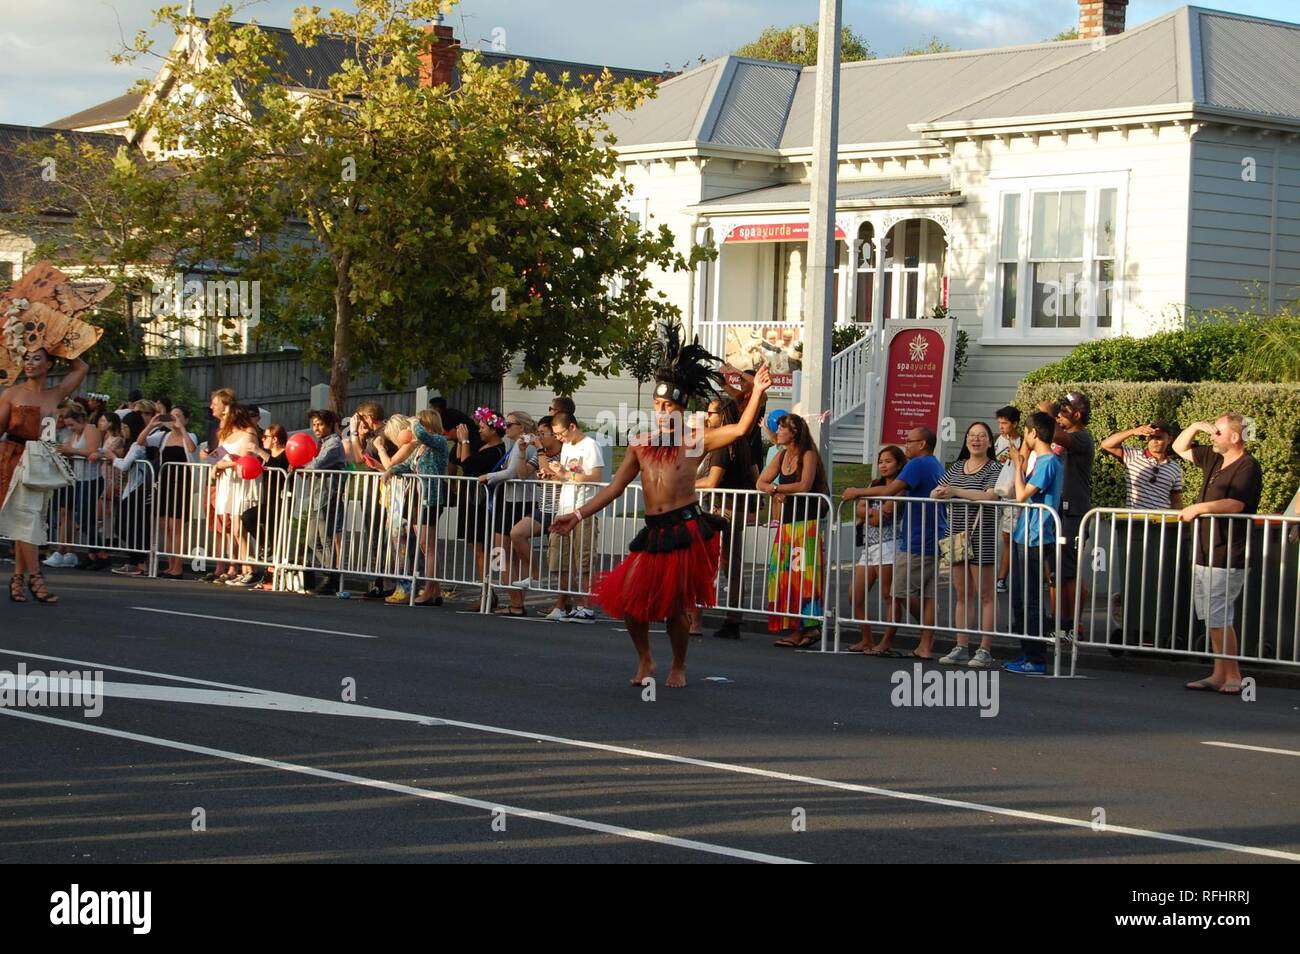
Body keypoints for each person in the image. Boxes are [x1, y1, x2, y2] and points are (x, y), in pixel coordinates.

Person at [551, 325, 772, 688]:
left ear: (682, 409)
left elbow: (736, 431)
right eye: (657, 404)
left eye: (668, 405)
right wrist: (577, 515)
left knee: (673, 609)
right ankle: (646, 659)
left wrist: (759, 393)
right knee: (629, 603)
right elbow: (616, 487)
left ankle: (679, 664)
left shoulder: (695, 439)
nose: (661, 410)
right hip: (653, 533)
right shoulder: (640, 444)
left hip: (684, 532)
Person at [1173, 415, 1262, 695]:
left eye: (1218, 431)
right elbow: (1179, 447)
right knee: (1211, 616)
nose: (1212, 435)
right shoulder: (1213, 458)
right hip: (1204, 548)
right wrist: (1196, 426)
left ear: (1235, 437)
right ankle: (1218, 672)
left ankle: (1233, 674)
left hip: (1227, 551)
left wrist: (1199, 508)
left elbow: (1236, 503)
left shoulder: (1247, 465)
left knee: (1220, 614)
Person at [0, 340, 94, 603]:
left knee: (28, 522)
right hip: (15, 460)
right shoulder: (11, 393)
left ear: (49, 364)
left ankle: (17, 579)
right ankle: (35, 578)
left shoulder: (55, 394)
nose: (29, 362)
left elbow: (81, 366)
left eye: (37, 358)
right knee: (27, 520)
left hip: (42, 462)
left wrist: (56, 340)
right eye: (26, 358)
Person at [847, 427, 946, 659]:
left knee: (896, 595)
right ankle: (925, 644)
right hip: (931, 535)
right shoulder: (935, 464)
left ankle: (887, 643)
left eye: (910, 441)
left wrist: (857, 492)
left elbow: (891, 493)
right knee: (926, 595)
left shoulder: (917, 464)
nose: (906, 444)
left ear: (922, 444)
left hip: (916, 538)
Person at [758, 412, 830, 648]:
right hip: (788, 526)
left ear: (794, 432)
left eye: (781, 428)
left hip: (805, 525)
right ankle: (795, 626)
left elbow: (804, 485)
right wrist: (773, 489)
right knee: (782, 575)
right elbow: (761, 481)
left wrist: (778, 489)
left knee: (802, 577)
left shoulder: (807, 455)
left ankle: (806, 627)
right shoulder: (781, 455)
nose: (777, 432)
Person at [1002, 411, 1065, 674]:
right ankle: (1026, 653)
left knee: (1030, 599)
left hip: (1037, 537)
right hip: (1023, 535)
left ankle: (1036, 659)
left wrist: (1018, 464)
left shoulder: (1049, 461)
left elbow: (1021, 494)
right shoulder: (1042, 461)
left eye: (1026, 433)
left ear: (1033, 433)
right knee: (1019, 598)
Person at [935, 422, 1002, 668]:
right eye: (972, 435)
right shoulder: (956, 468)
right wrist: (940, 493)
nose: (976, 440)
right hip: (955, 536)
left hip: (981, 535)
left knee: (985, 594)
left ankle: (985, 648)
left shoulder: (995, 467)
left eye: (981, 436)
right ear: (965, 441)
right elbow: (938, 489)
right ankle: (961, 645)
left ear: (990, 442)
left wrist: (956, 492)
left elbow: (990, 495)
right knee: (962, 594)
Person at [693, 396, 759, 639]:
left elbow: (712, 482)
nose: (707, 417)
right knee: (731, 562)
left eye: (711, 413)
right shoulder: (742, 442)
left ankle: (722, 616)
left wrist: (684, 484)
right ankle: (733, 616)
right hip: (735, 507)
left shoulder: (723, 445)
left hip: (725, 509)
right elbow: (754, 475)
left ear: (723, 416)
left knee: (718, 561)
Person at [382, 408, 450, 606]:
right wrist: (392, 470)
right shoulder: (421, 447)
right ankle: (435, 589)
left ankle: (429, 589)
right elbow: (407, 465)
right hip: (417, 500)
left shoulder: (438, 441)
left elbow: (420, 433)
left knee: (427, 545)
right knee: (423, 545)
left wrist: (413, 423)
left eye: (421, 422)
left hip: (430, 499)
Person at [841, 445, 904, 655]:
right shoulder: (874, 484)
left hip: (889, 544)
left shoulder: (901, 487)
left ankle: (886, 642)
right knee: (855, 595)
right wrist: (870, 511)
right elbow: (859, 508)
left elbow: (881, 519)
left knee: (888, 595)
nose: (883, 465)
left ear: (898, 463)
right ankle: (866, 639)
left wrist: (867, 511)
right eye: (881, 462)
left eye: (888, 461)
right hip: (869, 546)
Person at [545, 411, 605, 622]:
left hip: (583, 509)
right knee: (559, 556)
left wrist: (566, 475)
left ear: (572, 427)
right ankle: (565, 602)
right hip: (565, 507)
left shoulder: (590, 445)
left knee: (584, 558)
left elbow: (597, 476)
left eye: (560, 434)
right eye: (556, 435)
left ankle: (585, 605)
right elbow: (566, 476)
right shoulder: (567, 447)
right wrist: (554, 473)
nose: (559, 438)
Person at [500, 416, 563, 616]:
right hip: (544, 509)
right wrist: (520, 452)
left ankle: (562, 603)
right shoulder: (538, 453)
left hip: (561, 510)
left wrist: (540, 449)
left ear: (555, 435)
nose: (540, 438)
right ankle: (534, 574)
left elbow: (546, 471)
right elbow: (522, 474)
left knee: (559, 559)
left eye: (543, 434)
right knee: (517, 533)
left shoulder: (564, 453)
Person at [483, 411, 538, 615]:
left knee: (501, 551)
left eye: (509, 424)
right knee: (507, 553)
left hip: (518, 501)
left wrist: (487, 476)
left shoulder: (524, 444)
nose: (505, 428)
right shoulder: (516, 444)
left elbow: (512, 472)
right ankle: (516, 600)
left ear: (522, 426)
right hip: (514, 500)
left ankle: (516, 602)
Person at [1050, 391, 1095, 633]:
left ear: (1077, 415)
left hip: (1074, 513)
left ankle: (1070, 625)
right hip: (1057, 512)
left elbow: (1054, 433)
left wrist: (1046, 414)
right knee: (1056, 571)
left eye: (1063, 412)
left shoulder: (1082, 438)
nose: (1057, 415)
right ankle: (1058, 622)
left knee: (1069, 570)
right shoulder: (1064, 437)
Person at [454, 407, 508, 592]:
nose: (479, 430)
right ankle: (485, 589)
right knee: (475, 546)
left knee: (484, 548)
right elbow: (461, 460)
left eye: (483, 427)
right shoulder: (481, 446)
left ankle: (489, 589)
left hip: (485, 503)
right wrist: (461, 442)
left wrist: (466, 441)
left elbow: (469, 466)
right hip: (473, 501)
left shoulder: (496, 450)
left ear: (494, 430)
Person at [301, 409, 348, 596]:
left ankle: (331, 577)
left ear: (329, 425)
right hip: (317, 496)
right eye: (314, 425)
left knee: (326, 539)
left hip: (328, 496)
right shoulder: (321, 443)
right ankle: (330, 571)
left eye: (320, 424)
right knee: (313, 540)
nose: (316, 428)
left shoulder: (334, 444)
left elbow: (317, 464)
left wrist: (300, 466)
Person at [154, 406, 200, 579]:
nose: (174, 419)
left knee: (177, 527)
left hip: (181, 482)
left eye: (178, 416)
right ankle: (170, 564)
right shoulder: (164, 436)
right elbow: (141, 441)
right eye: (172, 416)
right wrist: (152, 424)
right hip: (166, 481)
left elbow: (192, 448)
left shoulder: (190, 435)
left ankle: (178, 566)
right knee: (166, 525)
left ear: (185, 419)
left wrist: (181, 428)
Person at [1101, 420, 1184, 510]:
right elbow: (1106, 444)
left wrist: (1179, 520)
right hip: (1136, 518)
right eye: (1151, 437)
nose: (1154, 441)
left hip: (1161, 520)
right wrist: (1133, 431)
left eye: (1159, 437)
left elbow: (1176, 500)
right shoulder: (1133, 455)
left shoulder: (1174, 467)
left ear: (1169, 439)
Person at [993, 405, 1022, 592]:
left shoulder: (1023, 442)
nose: (1001, 427)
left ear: (1015, 423)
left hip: (1013, 496)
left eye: (1004, 423)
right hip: (997, 493)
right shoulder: (998, 441)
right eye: (999, 423)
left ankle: (1002, 578)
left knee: (1009, 538)